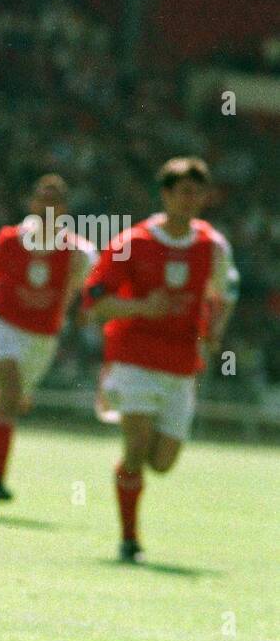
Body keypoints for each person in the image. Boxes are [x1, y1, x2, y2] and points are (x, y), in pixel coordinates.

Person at [82, 157, 238, 563]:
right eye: (183, 191)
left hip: (182, 364)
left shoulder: (212, 246)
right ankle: (129, 540)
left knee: (163, 463)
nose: (190, 200)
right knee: (136, 449)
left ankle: (130, 473)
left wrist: (214, 327)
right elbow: (94, 302)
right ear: (165, 195)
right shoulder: (133, 242)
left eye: (197, 193)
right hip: (133, 359)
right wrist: (141, 308)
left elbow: (224, 293)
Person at [0, 175, 94, 500]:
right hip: (4, 325)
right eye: (42, 198)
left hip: (43, 335)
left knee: (14, 403)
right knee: (12, 393)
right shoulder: (11, 239)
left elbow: (81, 288)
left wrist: (85, 309)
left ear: (64, 209)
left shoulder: (77, 251)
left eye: (54, 200)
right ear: (32, 203)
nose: (47, 206)